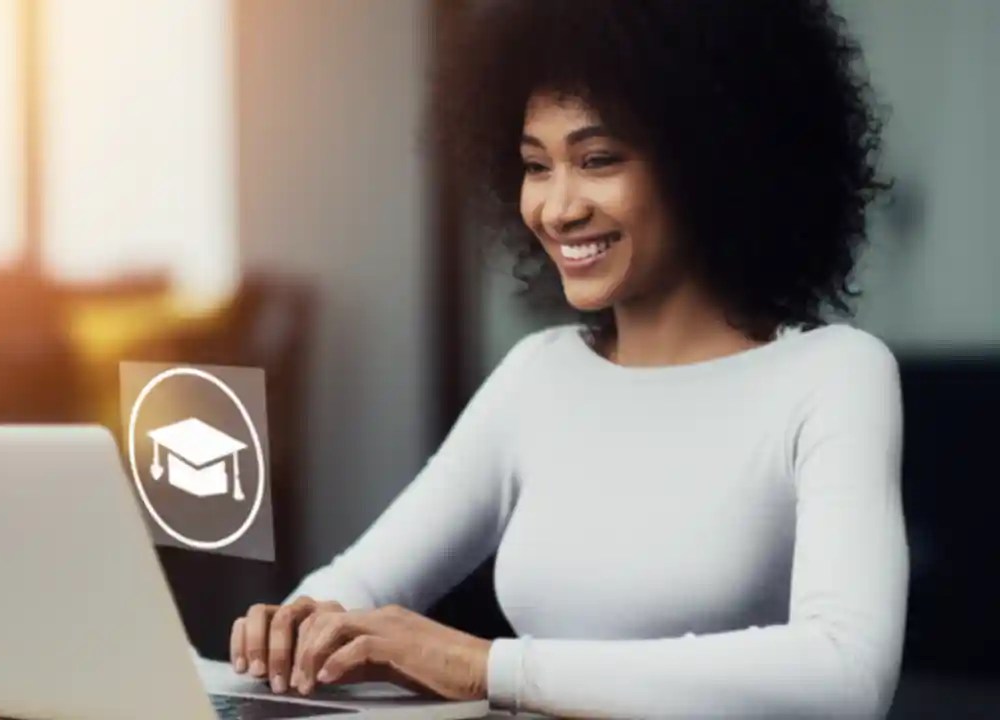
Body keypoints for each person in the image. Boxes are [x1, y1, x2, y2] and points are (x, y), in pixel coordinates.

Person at [230, 0, 908, 716]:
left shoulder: (833, 375)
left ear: (712, 158)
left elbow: (843, 674)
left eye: (597, 161)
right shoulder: (539, 375)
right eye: (535, 165)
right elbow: (358, 584)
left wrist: (487, 667)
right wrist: (292, 628)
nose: (556, 209)